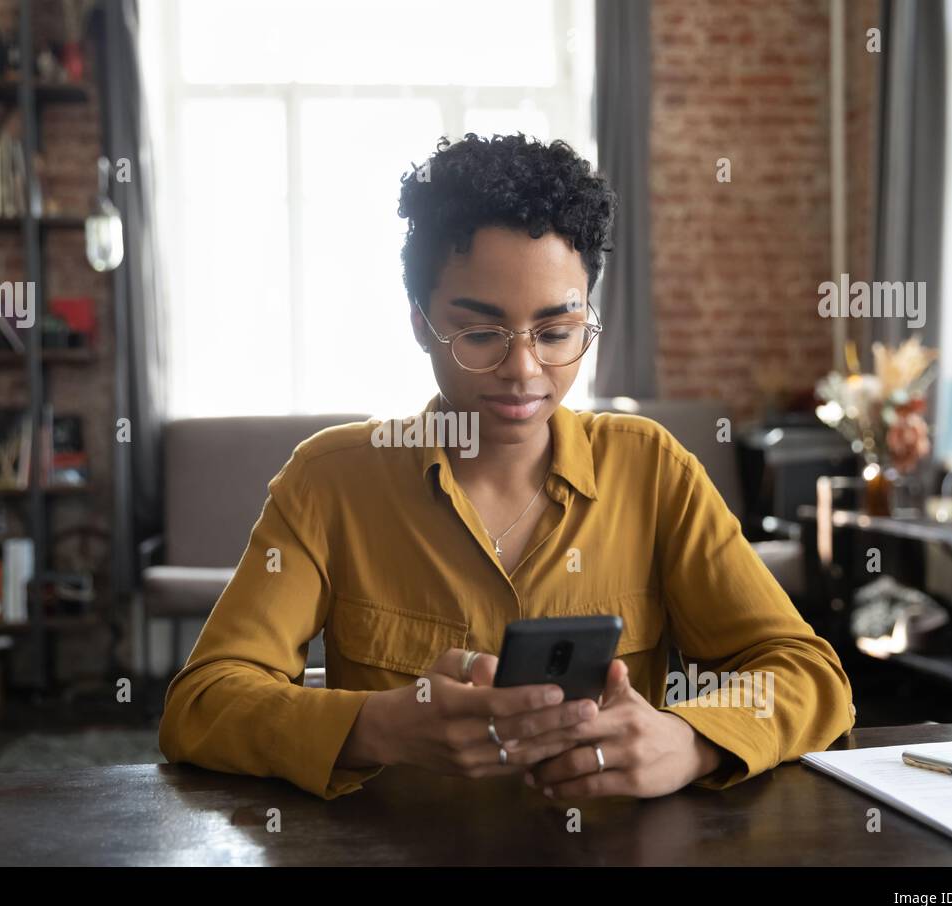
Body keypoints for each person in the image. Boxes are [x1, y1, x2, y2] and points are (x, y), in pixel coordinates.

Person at [159, 132, 855, 800]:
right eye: (481, 332)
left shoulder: (652, 470)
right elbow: (203, 702)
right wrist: (377, 728)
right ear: (418, 322)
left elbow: (809, 677)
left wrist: (690, 739)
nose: (524, 371)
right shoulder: (332, 480)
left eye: (557, 332)